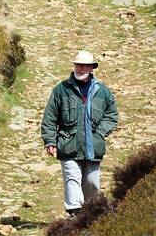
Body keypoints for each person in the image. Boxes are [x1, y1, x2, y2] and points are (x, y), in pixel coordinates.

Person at [41, 51, 119, 215]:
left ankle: (89, 214)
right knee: (72, 180)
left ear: (91, 68)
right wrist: (50, 141)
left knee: (92, 184)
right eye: (77, 65)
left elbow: (111, 115)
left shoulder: (102, 91)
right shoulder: (61, 90)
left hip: (93, 148)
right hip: (68, 145)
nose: (80, 68)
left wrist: (99, 133)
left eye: (84, 66)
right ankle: (75, 215)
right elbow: (50, 116)